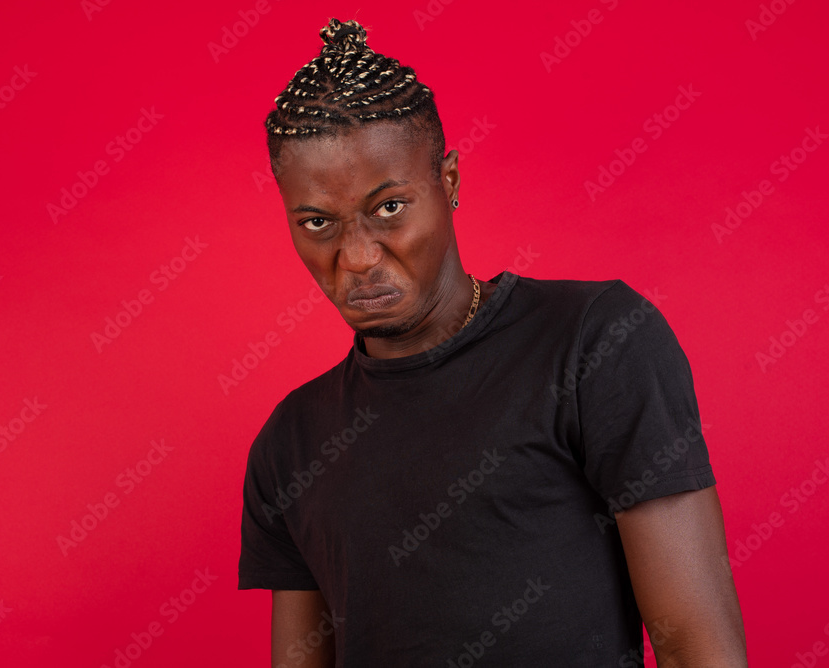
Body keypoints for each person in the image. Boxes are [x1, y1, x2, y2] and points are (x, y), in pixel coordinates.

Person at [238, 17, 746, 667]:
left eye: (390, 207)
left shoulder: (595, 341)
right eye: (317, 222)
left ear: (447, 182)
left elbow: (696, 647)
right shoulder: (292, 440)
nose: (358, 257)